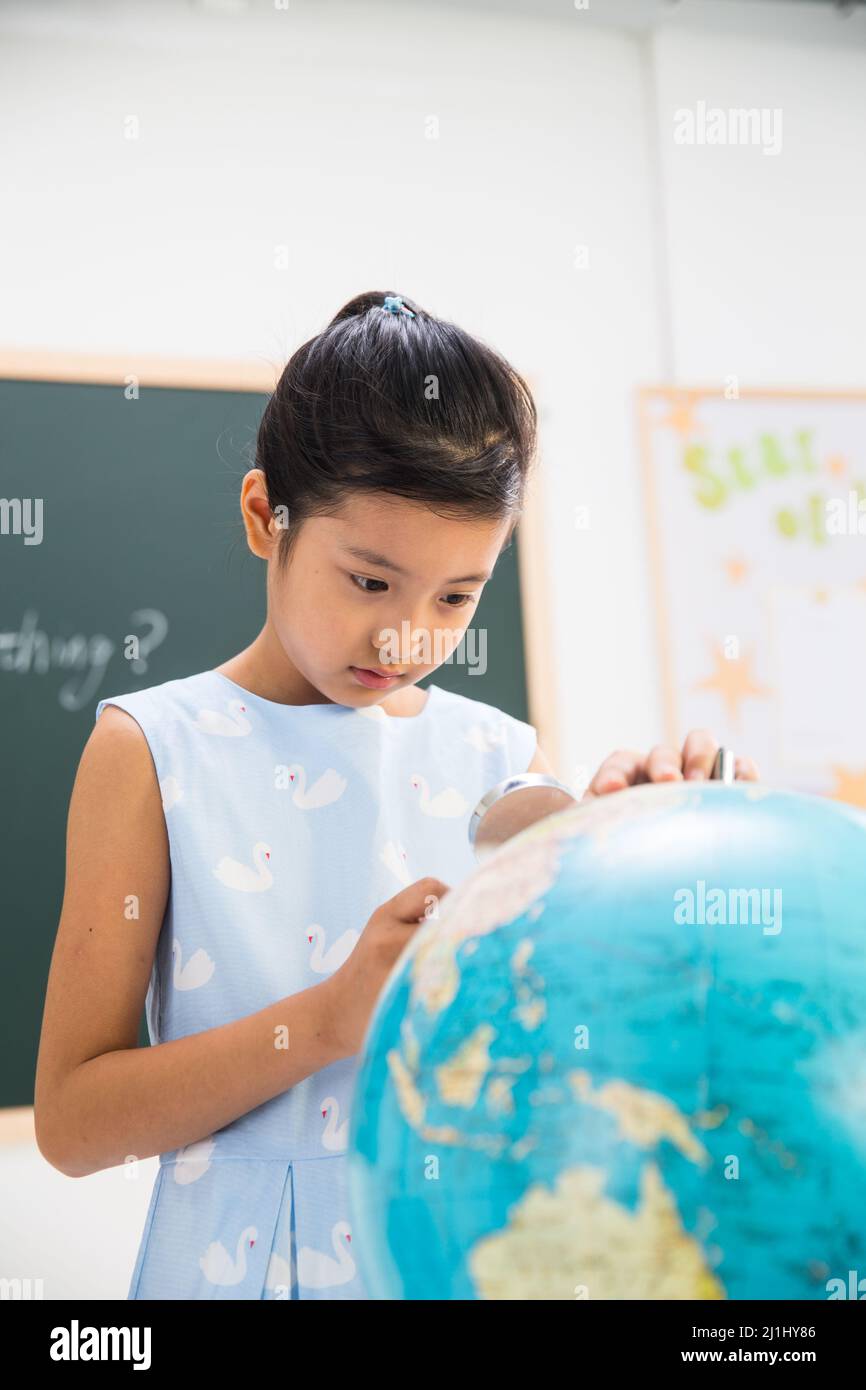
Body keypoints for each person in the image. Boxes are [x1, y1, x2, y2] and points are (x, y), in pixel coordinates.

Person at [34, 291, 759, 1300]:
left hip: (457, 1261)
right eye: (370, 581)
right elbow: (71, 1125)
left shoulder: (498, 754)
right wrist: (326, 1021)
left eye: (456, 595)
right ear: (263, 517)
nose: (407, 638)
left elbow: (561, 1060)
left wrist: (630, 863)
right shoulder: (151, 749)